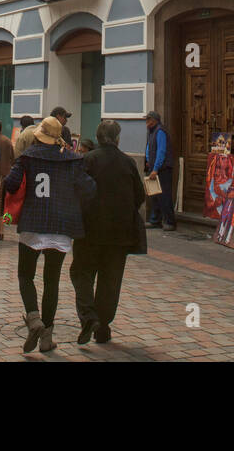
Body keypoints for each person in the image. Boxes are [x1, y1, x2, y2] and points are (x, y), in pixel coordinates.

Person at [4, 117, 95, 353]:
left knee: (25, 275)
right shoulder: (73, 160)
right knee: (51, 281)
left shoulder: (28, 157)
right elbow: (89, 189)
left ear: (38, 134)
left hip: (34, 222)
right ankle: (48, 336)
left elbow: (11, 184)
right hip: (61, 225)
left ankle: (33, 320)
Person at [71, 120, 145, 345]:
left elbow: (77, 191)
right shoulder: (128, 162)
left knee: (81, 273)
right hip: (120, 233)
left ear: (97, 137)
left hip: (90, 231)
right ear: (118, 138)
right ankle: (103, 326)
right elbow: (139, 196)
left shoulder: (88, 160)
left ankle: (88, 316)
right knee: (110, 280)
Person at [143, 110, 176, 231]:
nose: (146, 122)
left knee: (164, 195)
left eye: (148, 120)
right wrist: (147, 161)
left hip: (163, 169)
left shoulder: (160, 131)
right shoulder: (151, 131)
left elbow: (161, 151)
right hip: (153, 167)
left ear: (154, 120)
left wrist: (156, 168)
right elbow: (148, 147)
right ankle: (155, 220)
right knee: (154, 196)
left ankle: (169, 221)